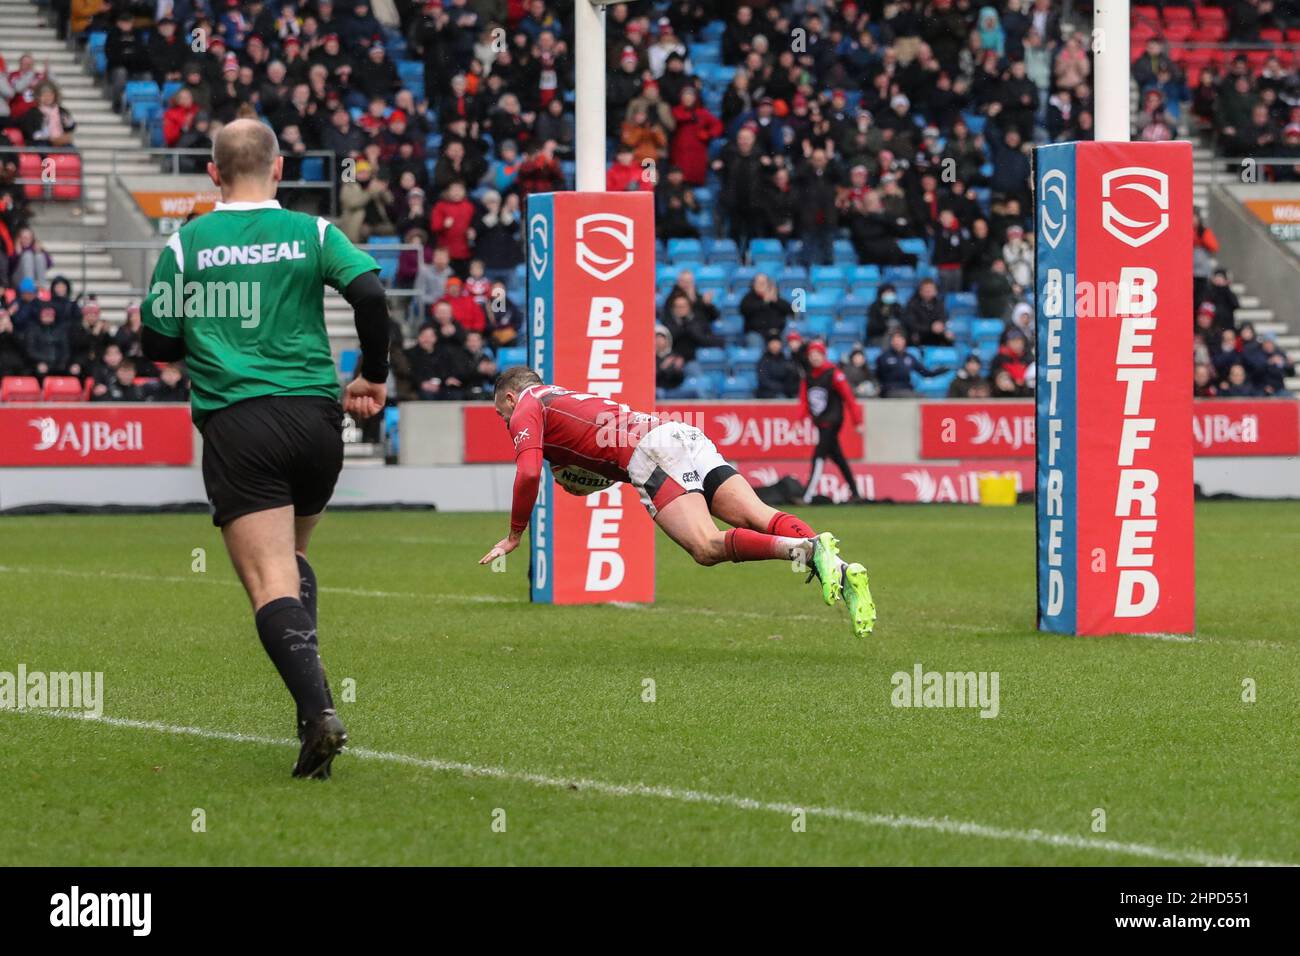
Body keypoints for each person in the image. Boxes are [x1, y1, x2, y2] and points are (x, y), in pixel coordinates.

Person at [140, 119, 390, 780]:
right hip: (316, 421)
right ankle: (311, 724)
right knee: (295, 558)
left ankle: (322, 712)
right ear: (278, 170)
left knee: (268, 579)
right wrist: (373, 375)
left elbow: (155, 344)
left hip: (239, 424)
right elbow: (370, 292)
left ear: (213, 175)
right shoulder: (312, 232)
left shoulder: (188, 242)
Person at [480, 367, 877, 639]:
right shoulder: (561, 397)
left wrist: (515, 535)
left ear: (511, 397)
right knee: (761, 515)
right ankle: (839, 570)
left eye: (502, 414)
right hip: (677, 432)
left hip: (649, 452)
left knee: (705, 546)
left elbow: (529, 473)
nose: (506, 423)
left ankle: (803, 549)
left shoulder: (527, 406)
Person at [800, 342, 865, 504]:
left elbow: (849, 397)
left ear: (823, 355)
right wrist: (802, 418)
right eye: (811, 355)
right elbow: (804, 400)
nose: (814, 357)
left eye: (817, 354)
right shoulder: (808, 377)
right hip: (820, 422)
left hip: (832, 421)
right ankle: (855, 492)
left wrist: (858, 421)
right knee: (838, 458)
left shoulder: (834, 373)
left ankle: (807, 495)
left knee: (818, 455)